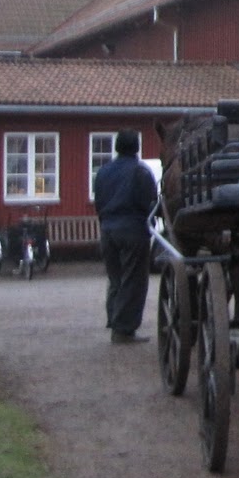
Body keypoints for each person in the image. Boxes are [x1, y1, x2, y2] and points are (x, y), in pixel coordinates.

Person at [94, 129, 158, 344]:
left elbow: (99, 202)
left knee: (115, 278)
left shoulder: (103, 172)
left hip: (107, 229)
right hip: (132, 230)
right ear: (136, 148)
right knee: (134, 279)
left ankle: (114, 320)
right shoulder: (140, 172)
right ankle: (123, 329)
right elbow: (150, 203)